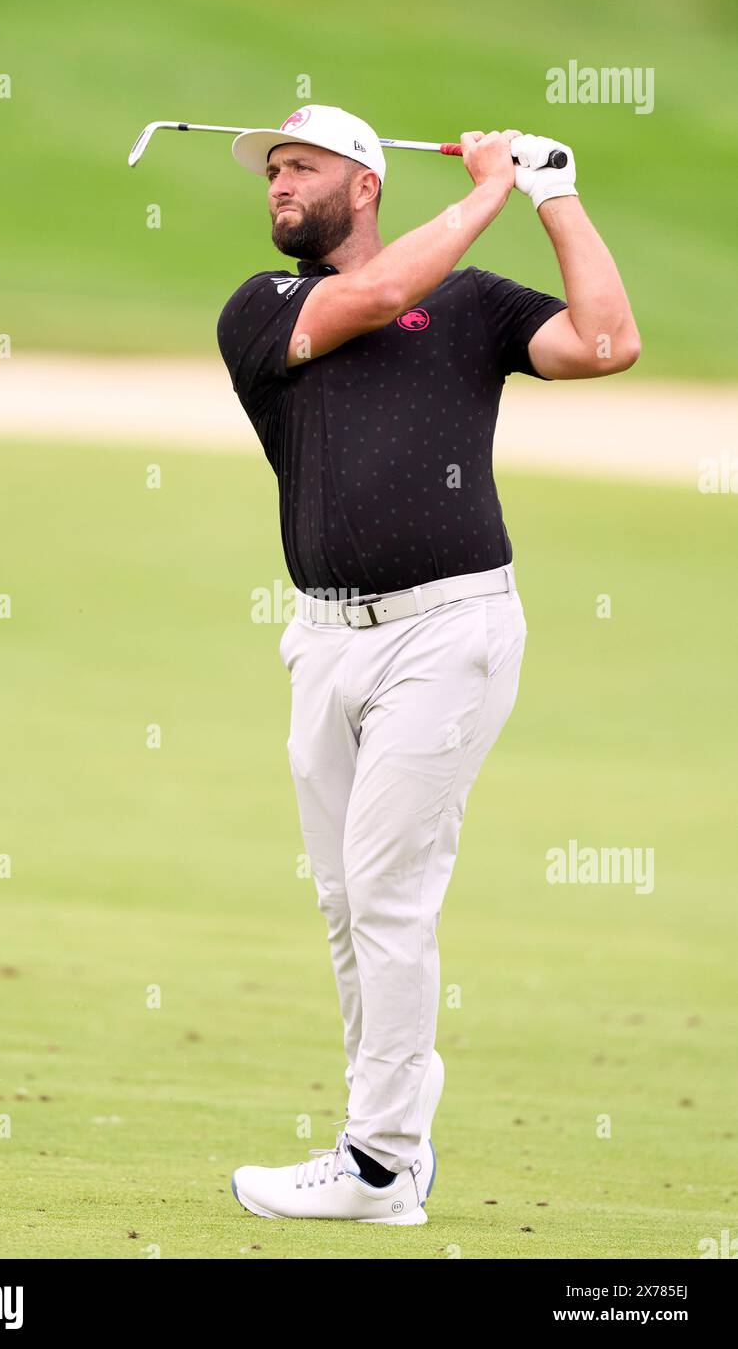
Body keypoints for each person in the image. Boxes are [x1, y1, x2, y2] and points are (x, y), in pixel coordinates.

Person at [216, 105, 640, 1224]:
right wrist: (485, 191)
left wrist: (550, 191)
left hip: (449, 631)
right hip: (321, 640)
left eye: (300, 168)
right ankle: (387, 1134)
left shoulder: (472, 304)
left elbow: (605, 343)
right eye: (270, 171)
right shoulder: (264, 307)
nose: (276, 185)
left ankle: (379, 1160)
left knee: (388, 894)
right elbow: (369, 298)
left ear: (364, 184)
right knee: (345, 898)